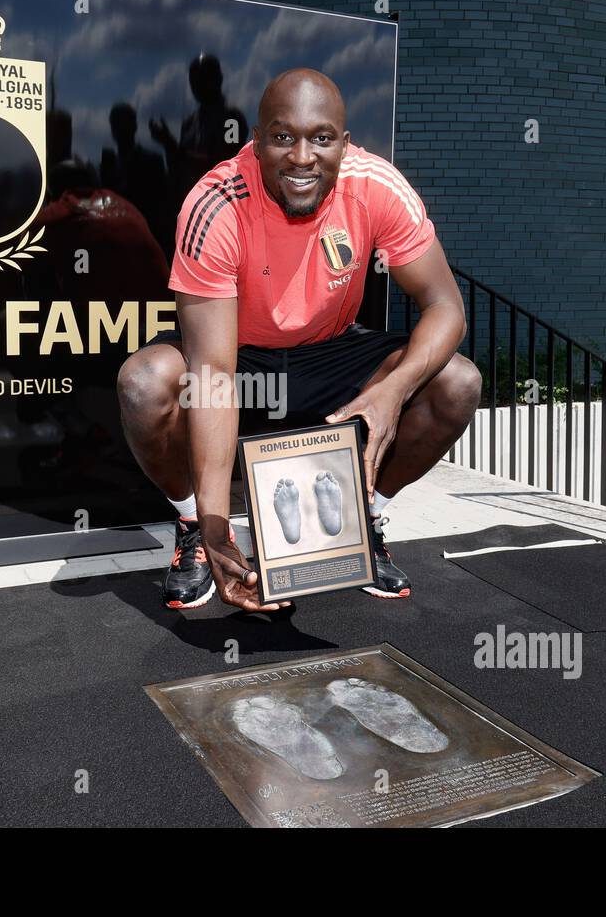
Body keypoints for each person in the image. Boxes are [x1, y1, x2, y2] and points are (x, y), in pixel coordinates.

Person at [117, 68, 482, 613]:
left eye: (321, 138)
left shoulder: (377, 187)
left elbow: (446, 306)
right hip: (240, 356)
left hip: (329, 350)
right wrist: (220, 527)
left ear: (345, 143)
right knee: (144, 384)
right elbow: (213, 374)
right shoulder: (214, 203)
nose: (303, 157)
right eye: (283, 137)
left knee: (457, 381)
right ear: (257, 142)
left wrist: (394, 390)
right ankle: (195, 528)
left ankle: (364, 520)